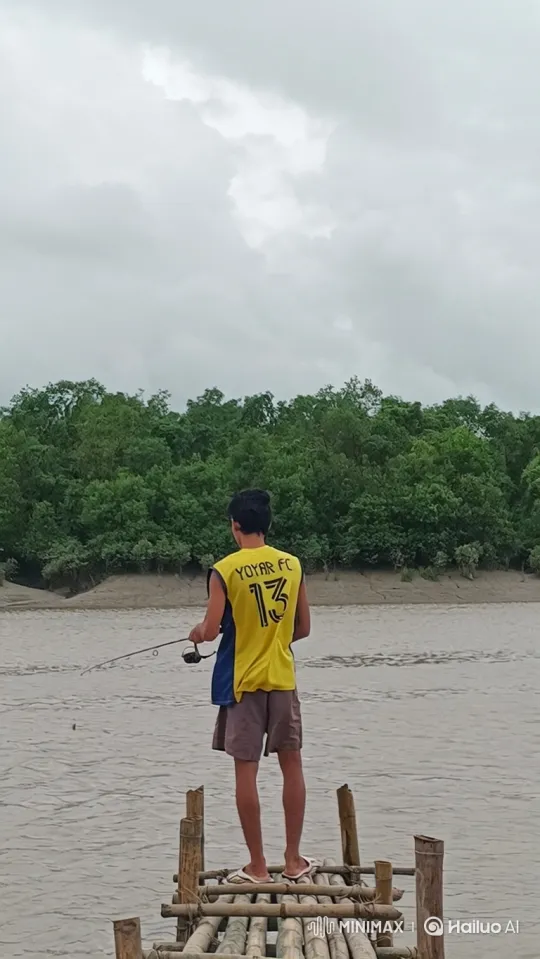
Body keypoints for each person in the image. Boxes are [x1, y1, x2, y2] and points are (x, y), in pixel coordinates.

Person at [188, 488, 316, 883]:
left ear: (235, 526)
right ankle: (294, 862)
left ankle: (257, 867)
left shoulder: (224, 570)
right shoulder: (291, 565)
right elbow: (303, 628)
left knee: (247, 773)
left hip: (243, 684)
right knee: (291, 766)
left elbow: (210, 631)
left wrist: (195, 632)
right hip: (282, 678)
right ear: (267, 525)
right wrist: (273, 643)